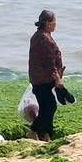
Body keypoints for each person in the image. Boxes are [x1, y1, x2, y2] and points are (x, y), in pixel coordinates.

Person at [28, 10, 65, 141]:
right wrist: (57, 78)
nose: (56, 25)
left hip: (40, 78)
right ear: (48, 23)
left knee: (47, 106)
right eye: (54, 22)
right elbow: (49, 60)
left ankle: (45, 136)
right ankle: (33, 132)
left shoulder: (41, 35)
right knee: (49, 106)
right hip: (42, 79)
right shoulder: (43, 37)